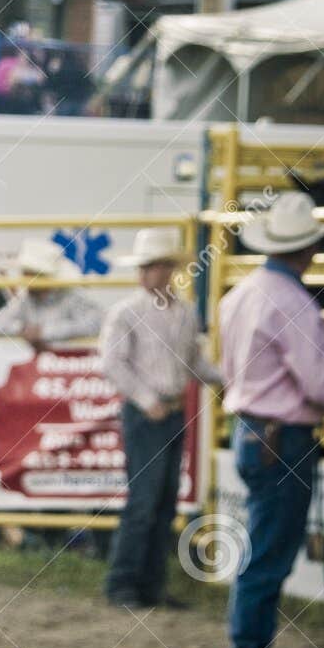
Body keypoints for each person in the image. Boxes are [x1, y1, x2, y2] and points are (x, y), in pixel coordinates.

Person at [217, 193, 324, 648]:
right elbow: (320, 383)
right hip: (284, 438)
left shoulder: (240, 295)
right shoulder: (293, 301)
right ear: (309, 248)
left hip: (254, 431)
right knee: (268, 556)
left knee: (263, 551)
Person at [99, 227, 220, 609]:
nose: (145, 273)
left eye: (151, 266)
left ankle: (148, 585)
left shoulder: (185, 314)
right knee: (145, 499)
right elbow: (112, 364)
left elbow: (194, 361)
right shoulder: (127, 313)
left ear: (168, 269)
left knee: (164, 501)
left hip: (170, 411)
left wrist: (226, 378)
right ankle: (124, 583)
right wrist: (147, 399)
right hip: (146, 413)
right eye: (145, 267)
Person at [0, 239, 103, 348]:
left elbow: (95, 324)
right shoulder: (26, 299)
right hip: (45, 363)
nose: (24, 280)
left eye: (29, 275)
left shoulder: (72, 296)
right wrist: (22, 329)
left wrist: (45, 332)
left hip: (69, 361)